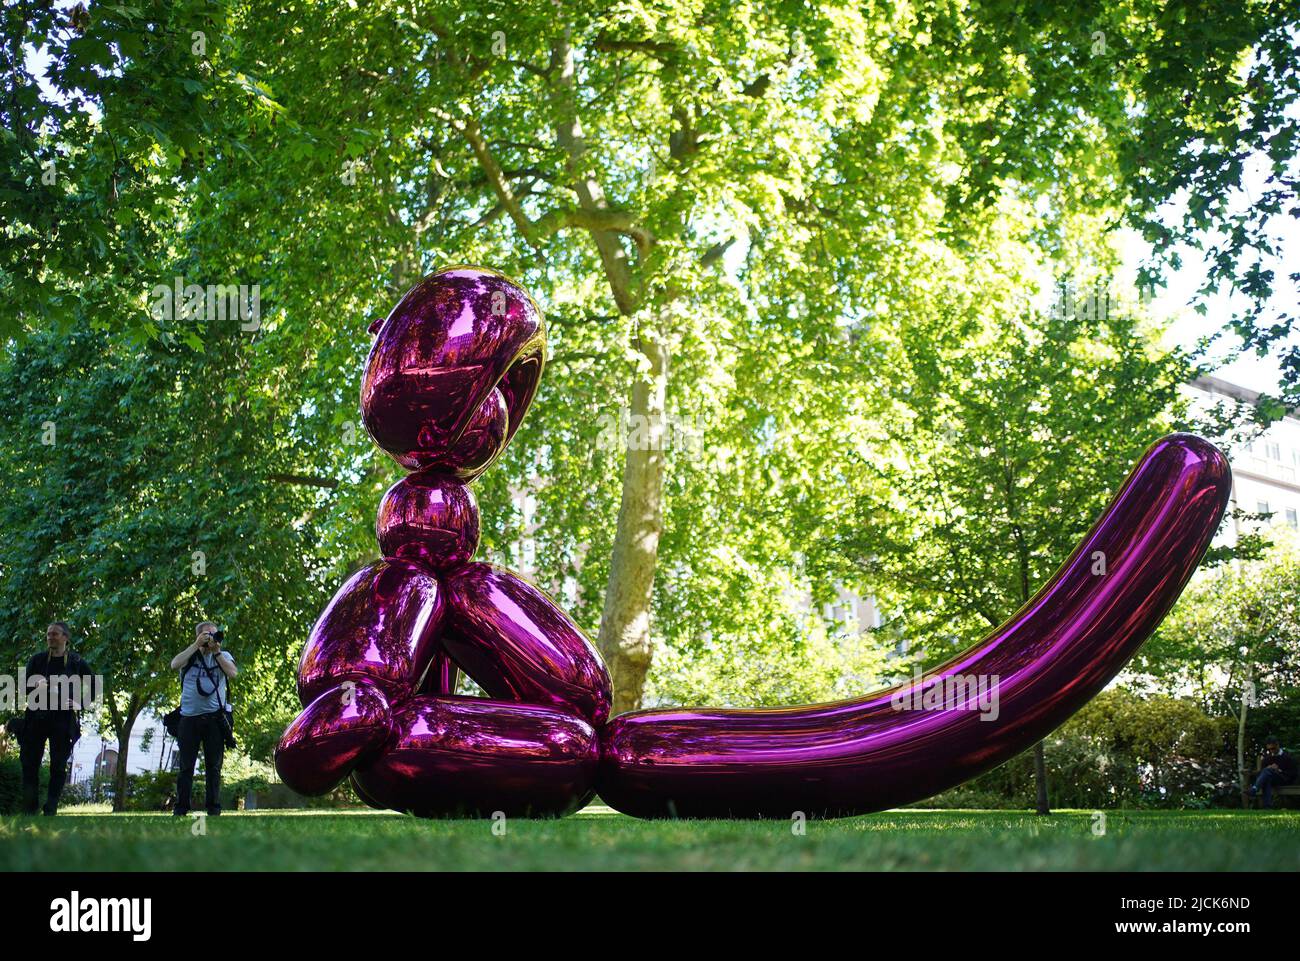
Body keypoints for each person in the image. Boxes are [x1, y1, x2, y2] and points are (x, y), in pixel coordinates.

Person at [20, 622, 95, 816]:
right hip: (36, 717)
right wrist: (35, 685)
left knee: (58, 765)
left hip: (62, 720)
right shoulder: (36, 660)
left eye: (54, 634)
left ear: (65, 638)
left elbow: (94, 685)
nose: (50, 637)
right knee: (30, 764)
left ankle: (51, 808)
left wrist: (80, 703)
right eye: (48, 634)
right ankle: (30, 809)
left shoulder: (76, 662)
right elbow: (23, 689)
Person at [170, 621, 236, 816]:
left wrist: (216, 652)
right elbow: (174, 664)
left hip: (215, 720)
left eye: (214, 635)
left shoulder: (223, 656)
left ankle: (214, 809)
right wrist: (195, 645)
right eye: (207, 635)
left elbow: (232, 673)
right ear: (198, 636)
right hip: (189, 719)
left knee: (214, 767)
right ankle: (181, 808)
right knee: (185, 767)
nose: (211, 639)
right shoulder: (189, 656)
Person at [1248, 735, 1297, 809]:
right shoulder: (1267, 759)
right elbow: (1262, 774)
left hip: (1284, 779)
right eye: (1269, 749)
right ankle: (1267, 807)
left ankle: (1254, 789)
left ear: (1277, 745)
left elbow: (1293, 773)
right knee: (1267, 776)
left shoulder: (1287, 757)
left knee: (1268, 772)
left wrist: (1279, 770)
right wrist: (1268, 769)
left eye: (1273, 748)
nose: (1271, 751)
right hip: (1271, 780)